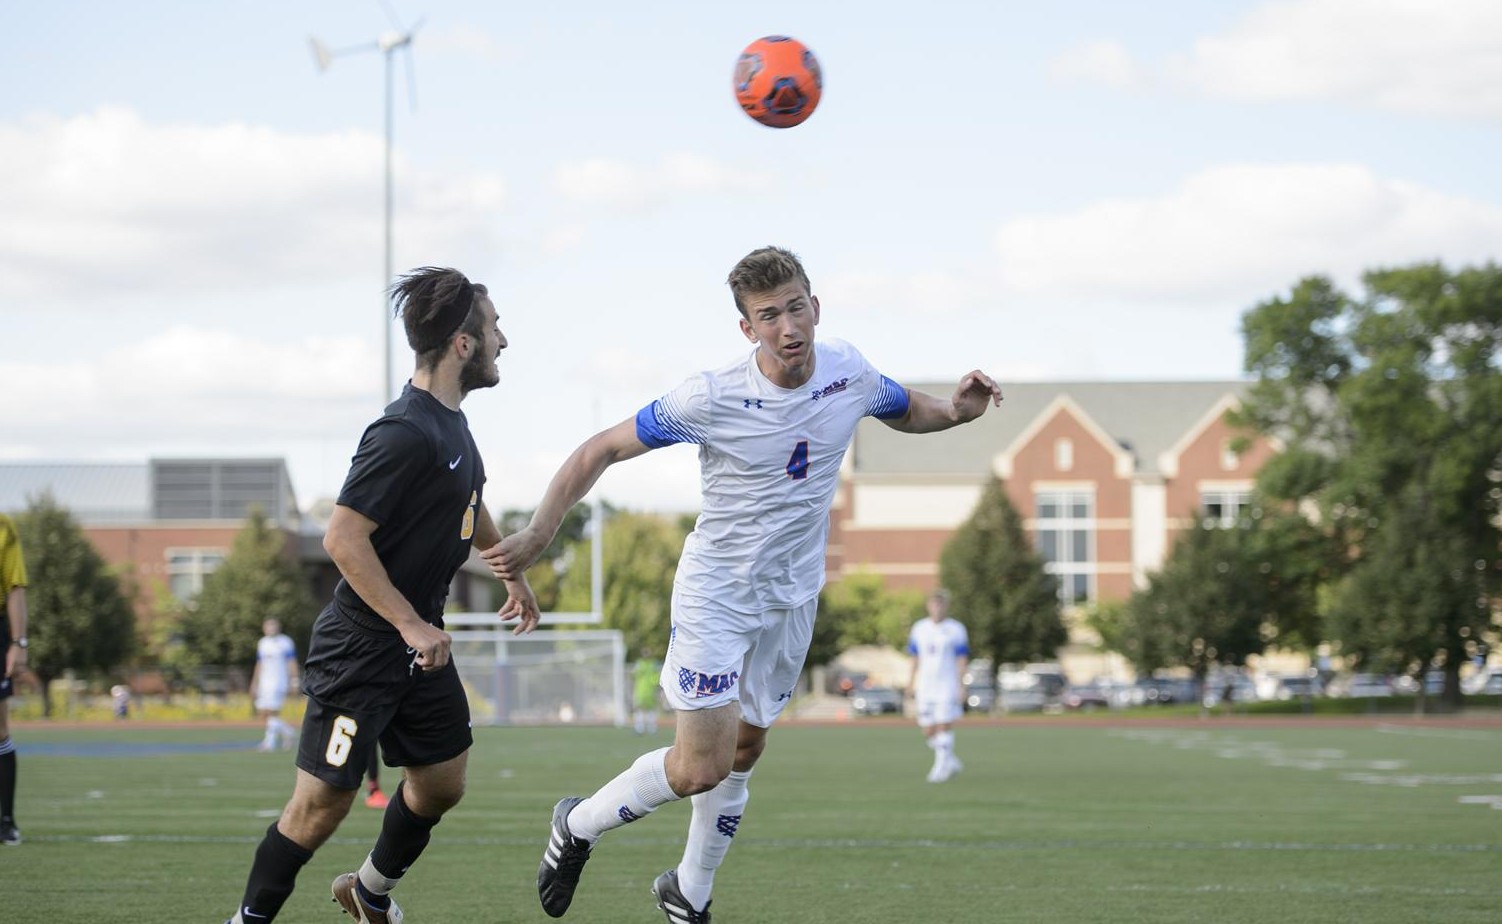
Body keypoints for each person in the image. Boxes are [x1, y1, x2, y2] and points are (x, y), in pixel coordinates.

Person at [485, 245, 1003, 922]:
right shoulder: (711, 395)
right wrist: (539, 534)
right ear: (747, 329)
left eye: (795, 308)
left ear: (814, 307)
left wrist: (958, 411)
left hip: (791, 599)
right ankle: (578, 825)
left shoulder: (848, 368)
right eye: (769, 315)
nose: (788, 326)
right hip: (717, 598)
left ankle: (689, 893)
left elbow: (905, 408)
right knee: (702, 765)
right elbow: (600, 449)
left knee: (748, 748)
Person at [222, 266, 540, 924]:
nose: (504, 340)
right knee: (321, 808)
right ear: (462, 343)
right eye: (494, 326)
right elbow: (342, 539)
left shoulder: (454, 428)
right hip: (362, 652)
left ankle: (368, 892)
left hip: (417, 646)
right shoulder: (402, 432)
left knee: (442, 781)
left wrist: (508, 568)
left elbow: (469, 501)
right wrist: (410, 626)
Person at [906, 589, 969, 783]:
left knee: (943, 725)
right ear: (928, 605)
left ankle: (940, 768)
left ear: (946, 606)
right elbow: (915, 657)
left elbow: (962, 659)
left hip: (946, 684)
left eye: (941, 603)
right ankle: (949, 759)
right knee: (927, 729)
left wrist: (961, 685)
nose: (937, 607)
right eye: (934, 603)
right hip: (926, 684)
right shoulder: (919, 628)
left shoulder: (956, 629)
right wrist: (911, 682)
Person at [0, 513, 30, 847]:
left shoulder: (3, 526)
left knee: (0, 728)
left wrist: (18, 643)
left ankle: (6, 822)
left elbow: (14, 587)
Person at [250, 618, 299, 752]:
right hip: (264, 682)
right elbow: (259, 664)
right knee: (263, 713)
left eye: (273, 625)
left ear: (278, 627)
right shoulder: (262, 643)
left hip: (279, 681)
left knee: (273, 711)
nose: (271, 628)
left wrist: (294, 681)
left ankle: (269, 743)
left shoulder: (285, 642)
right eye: (268, 626)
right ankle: (288, 731)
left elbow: (292, 662)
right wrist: (254, 682)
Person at [632, 649, 663, 736]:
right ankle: (640, 728)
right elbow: (634, 675)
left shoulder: (652, 664)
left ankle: (650, 729)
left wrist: (655, 684)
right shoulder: (641, 663)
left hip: (649, 690)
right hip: (641, 690)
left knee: (650, 710)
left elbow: (656, 677)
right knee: (640, 709)